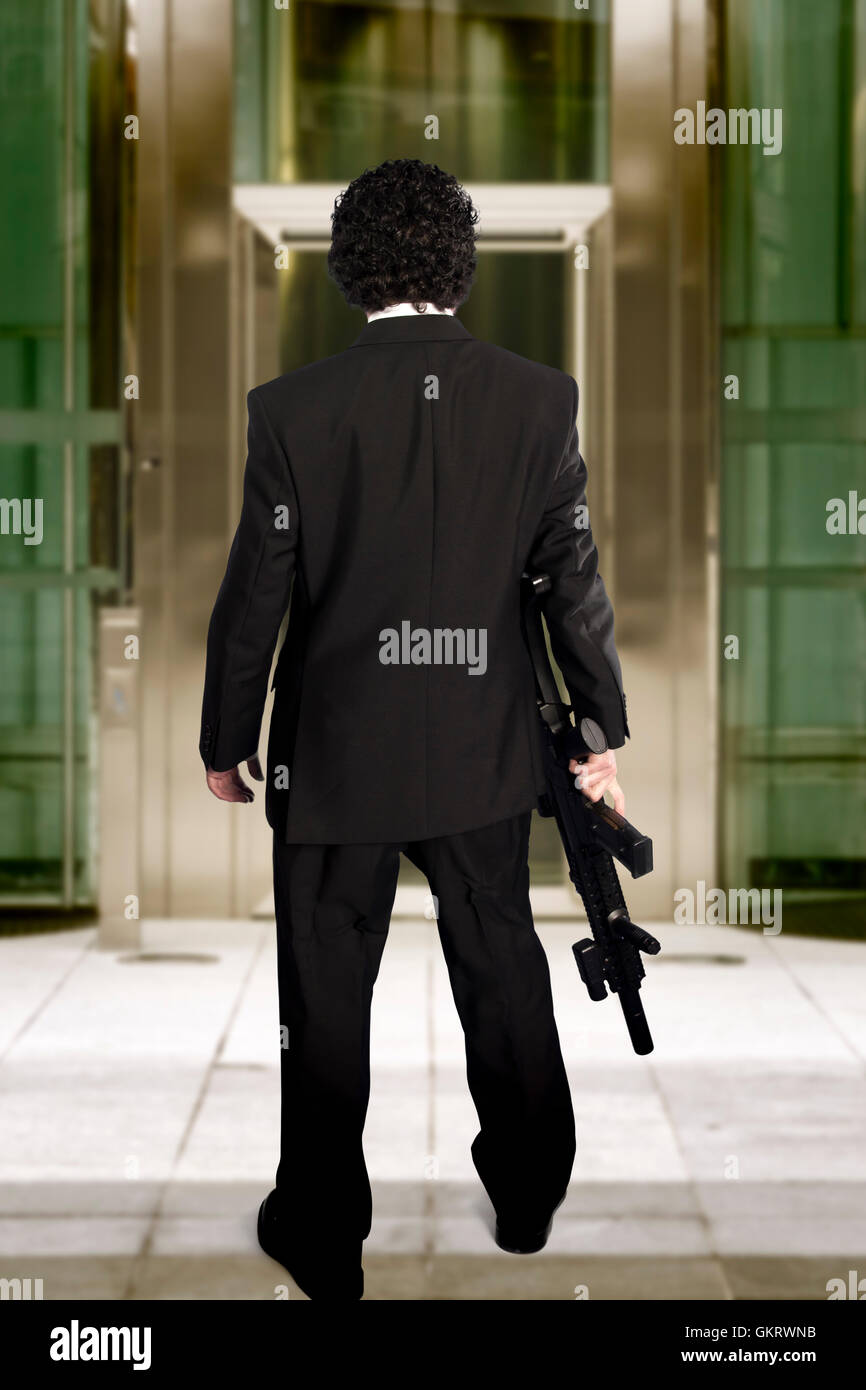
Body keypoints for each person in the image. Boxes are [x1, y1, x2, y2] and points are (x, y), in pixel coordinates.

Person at [199, 158, 629, 1300]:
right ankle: (529, 1192)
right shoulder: (540, 401)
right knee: (499, 963)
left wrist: (222, 741)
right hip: (484, 750)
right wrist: (599, 732)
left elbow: (256, 595)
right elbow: (568, 585)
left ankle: (325, 1229)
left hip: (332, 757)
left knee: (324, 993)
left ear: (350, 264)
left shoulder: (290, 411)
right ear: (457, 262)